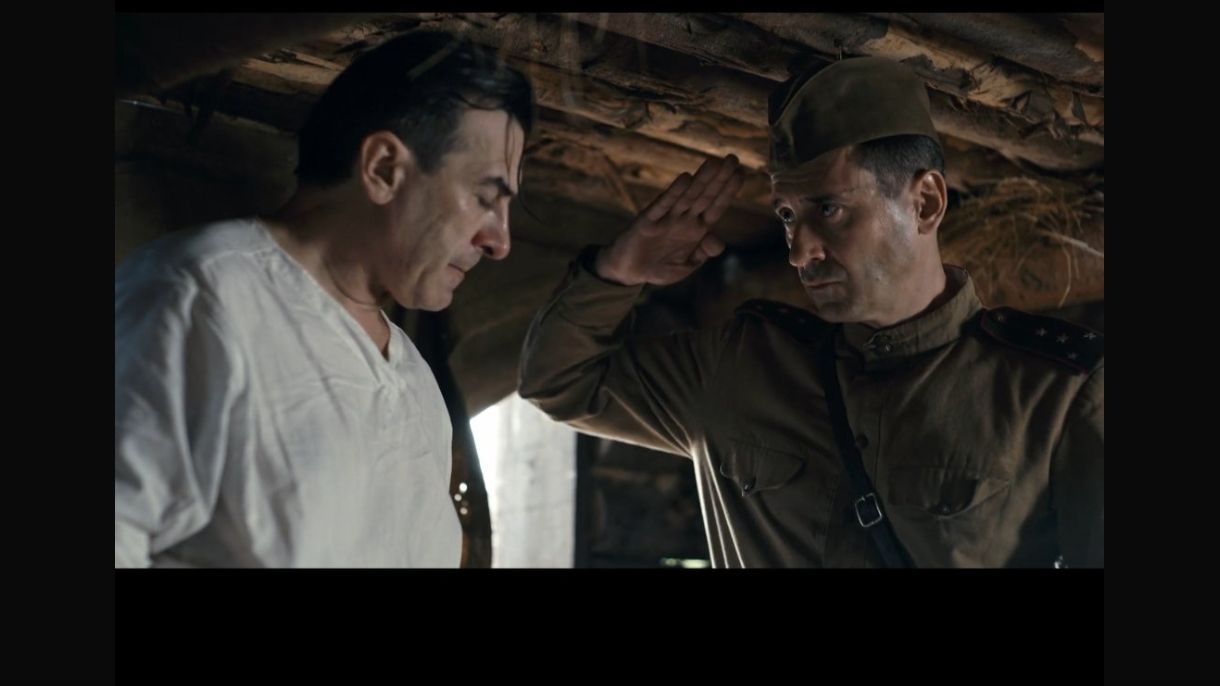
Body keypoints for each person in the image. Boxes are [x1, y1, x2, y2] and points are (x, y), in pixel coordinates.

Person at [518, 57, 1102, 567]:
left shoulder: (1054, 394)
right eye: (788, 216)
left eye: (829, 209)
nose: (799, 253)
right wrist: (617, 272)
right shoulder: (741, 365)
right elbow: (558, 381)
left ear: (925, 203)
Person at [115, 31, 533, 567]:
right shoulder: (203, 295)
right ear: (383, 168)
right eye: (485, 198)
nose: (500, 241)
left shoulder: (417, 385)